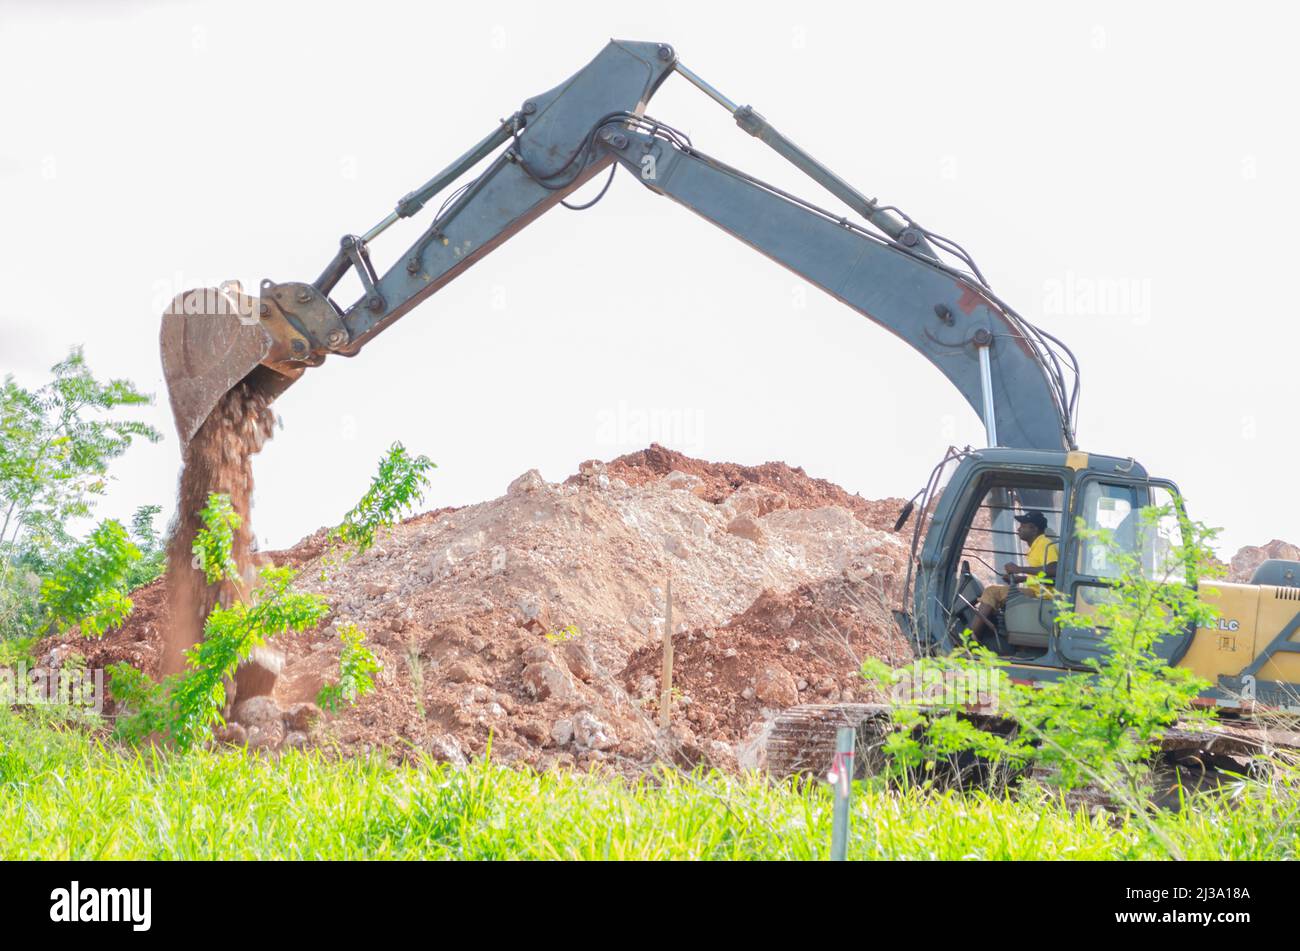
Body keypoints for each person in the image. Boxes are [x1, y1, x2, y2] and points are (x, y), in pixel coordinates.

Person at [968, 510, 1058, 642]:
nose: (1019, 528)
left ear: (1034, 529)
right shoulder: (1036, 546)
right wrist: (1020, 578)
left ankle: (969, 639)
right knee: (995, 594)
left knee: (992, 591)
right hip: (1038, 590)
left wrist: (1019, 569)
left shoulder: (1045, 544)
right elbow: (1045, 577)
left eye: (1023, 526)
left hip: (1043, 595)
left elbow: (1054, 570)